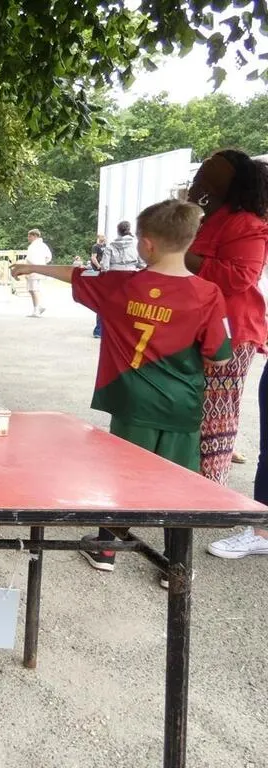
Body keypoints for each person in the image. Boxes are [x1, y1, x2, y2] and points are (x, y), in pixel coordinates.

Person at [12, 200, 232, 586]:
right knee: (179, 484)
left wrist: (34, 267)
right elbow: (218, 356)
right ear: (190, 240)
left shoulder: (121, 286)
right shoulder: (208, 294)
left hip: (132, 405)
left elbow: (77, 275)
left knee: (123, 476)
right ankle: (174, 565)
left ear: (146, 245)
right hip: (182, 408)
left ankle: (106, 548)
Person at [185, 150, 268, 557]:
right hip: (194, 328)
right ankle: (186, 487)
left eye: (209, 175)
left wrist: (185, 257)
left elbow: (240, 277)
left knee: (216, 417)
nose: (201, 178)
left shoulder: (248, 225)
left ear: (229, 183)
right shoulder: (207, 218)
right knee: (193, 410)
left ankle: (210, 499)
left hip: (231, 334)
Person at [24, 228, 52, 317]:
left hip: (33, 268)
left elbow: (29, 258)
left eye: (30, 236)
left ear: (34, 236)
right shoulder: (44, 245)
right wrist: (43, 263)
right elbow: (49, 257)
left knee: (34, 289)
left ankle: (37, 308)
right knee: (34, 289)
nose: (28, 238)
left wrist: (31, 265)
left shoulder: (33, 246)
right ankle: (37, 307)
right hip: (40, 268)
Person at [90, 234, 107, 337]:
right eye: (102, 237)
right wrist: (99, 266)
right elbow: (93, 258)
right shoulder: (96, 246)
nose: (104, 239)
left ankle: (100, 330)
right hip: (98, 270)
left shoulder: (106, 246)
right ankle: (98, 331)